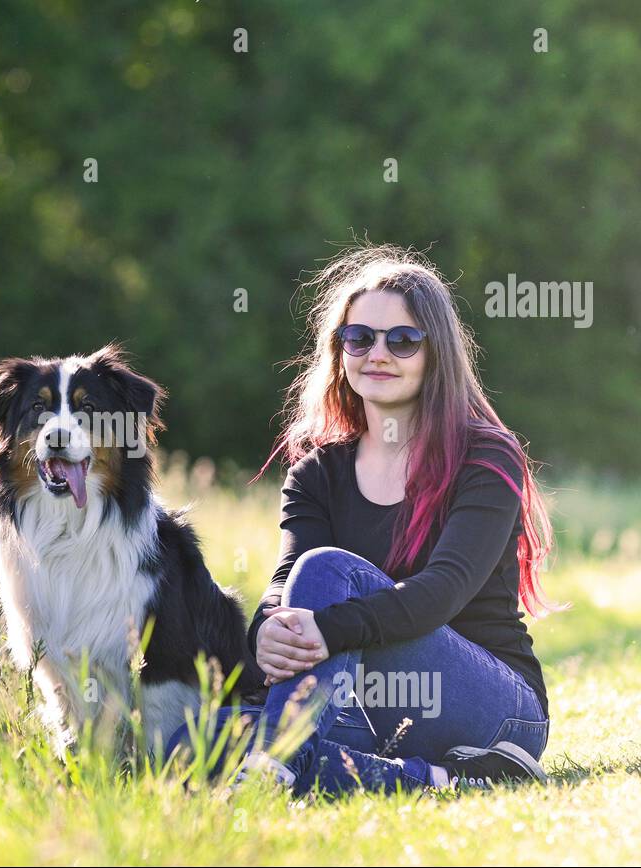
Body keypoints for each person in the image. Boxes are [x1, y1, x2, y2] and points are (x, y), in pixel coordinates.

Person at [165, 244, 569, 797]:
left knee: (328, 570)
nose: (378, 353)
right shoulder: (316, 475)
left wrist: (325, 629)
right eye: (359, 338)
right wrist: (265, 635)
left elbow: (441, 592)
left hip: (491, 708)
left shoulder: (485, 456)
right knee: (185, 738)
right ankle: (435, 779)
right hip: (366, 699)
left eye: (402, 340)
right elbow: (285, 585)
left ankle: (274, 769)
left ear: (435, 354)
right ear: (340, 350)